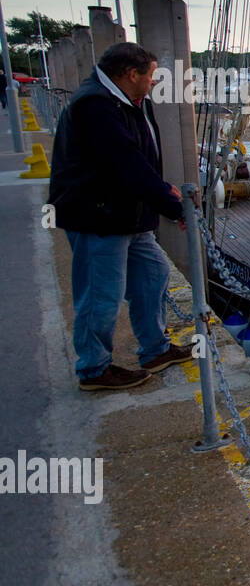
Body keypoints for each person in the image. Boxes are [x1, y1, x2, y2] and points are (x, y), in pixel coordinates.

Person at [48, 42, 190, 391]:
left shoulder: (126, 101)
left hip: (127, 213)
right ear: (131, 74)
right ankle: (94, 369)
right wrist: (173, 207)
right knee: (100, 294)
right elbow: (125, 163)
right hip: (99, 215)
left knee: (153, 273)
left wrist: (159, 190)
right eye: (151, 75)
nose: (153, 82)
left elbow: (139, 159)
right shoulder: (96, 106)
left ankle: (155, 348)